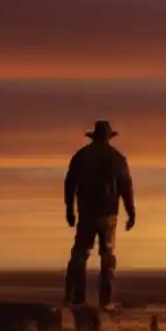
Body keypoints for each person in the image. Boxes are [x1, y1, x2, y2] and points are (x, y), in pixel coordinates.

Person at [63, 120, 136, 306]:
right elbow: (126, 188)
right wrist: (131, 213)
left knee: (80, 253)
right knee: (107, 255)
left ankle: (75, 297)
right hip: (109, 214)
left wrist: (69, 209)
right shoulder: (117, 158)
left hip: (87, 212)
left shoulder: (81, 156)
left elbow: (70, 185)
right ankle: (105, 299)